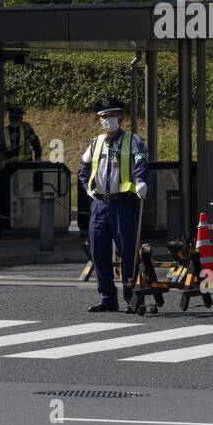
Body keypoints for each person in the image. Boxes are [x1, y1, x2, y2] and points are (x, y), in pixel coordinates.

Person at [77, 97, 149, 313]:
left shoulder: (133, 140)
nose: (106, 121)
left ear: (120, 117)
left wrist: (141, 180)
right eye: (102, 117)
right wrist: (87, 187)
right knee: (98, 253)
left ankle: (131, 297)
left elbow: (141, 161)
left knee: (129, 252)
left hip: (122, 205)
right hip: (99, 205)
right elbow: (83, 167)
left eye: (110, 116)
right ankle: (107, 296)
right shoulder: (95, 143)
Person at [0, 104, 42, 232]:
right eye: (13, 119)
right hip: (9, 169)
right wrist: (3, 156)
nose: (14, 122)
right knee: (7, 198)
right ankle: (5, 224)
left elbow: (36, 143)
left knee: (25, 196)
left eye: (17, 119)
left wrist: (38, 157)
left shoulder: (26, 129)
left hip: (26, 168)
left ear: (20, 120)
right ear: (10, 118)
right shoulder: (1, 133)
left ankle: (26, 222)